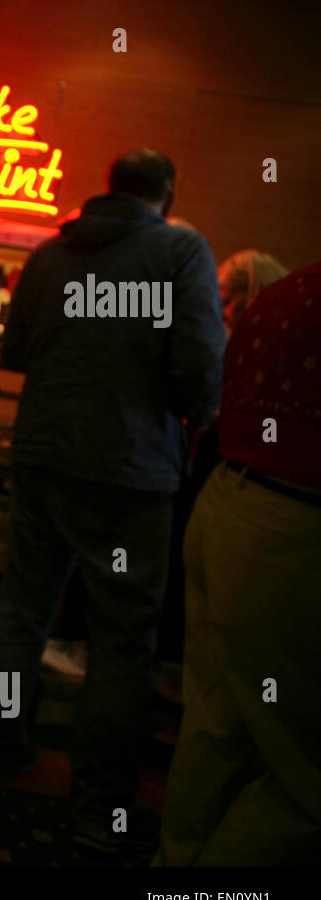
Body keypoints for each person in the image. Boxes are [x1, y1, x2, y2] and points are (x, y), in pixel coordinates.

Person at [0, 148, 226, 854]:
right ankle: (98, 808)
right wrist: (191, 415)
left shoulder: (51, 253)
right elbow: (201, 364)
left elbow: (14, 349)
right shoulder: (183, 250)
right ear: (166, 195)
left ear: (110, 188)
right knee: (122, 642)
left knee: (22, 609)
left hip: (45, 453)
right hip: (132, 471)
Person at [156, 258, 321, 865]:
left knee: (215, 727)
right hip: (298, 523)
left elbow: (209, 389)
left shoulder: (291, 291)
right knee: (307, 778)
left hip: (230, 498)